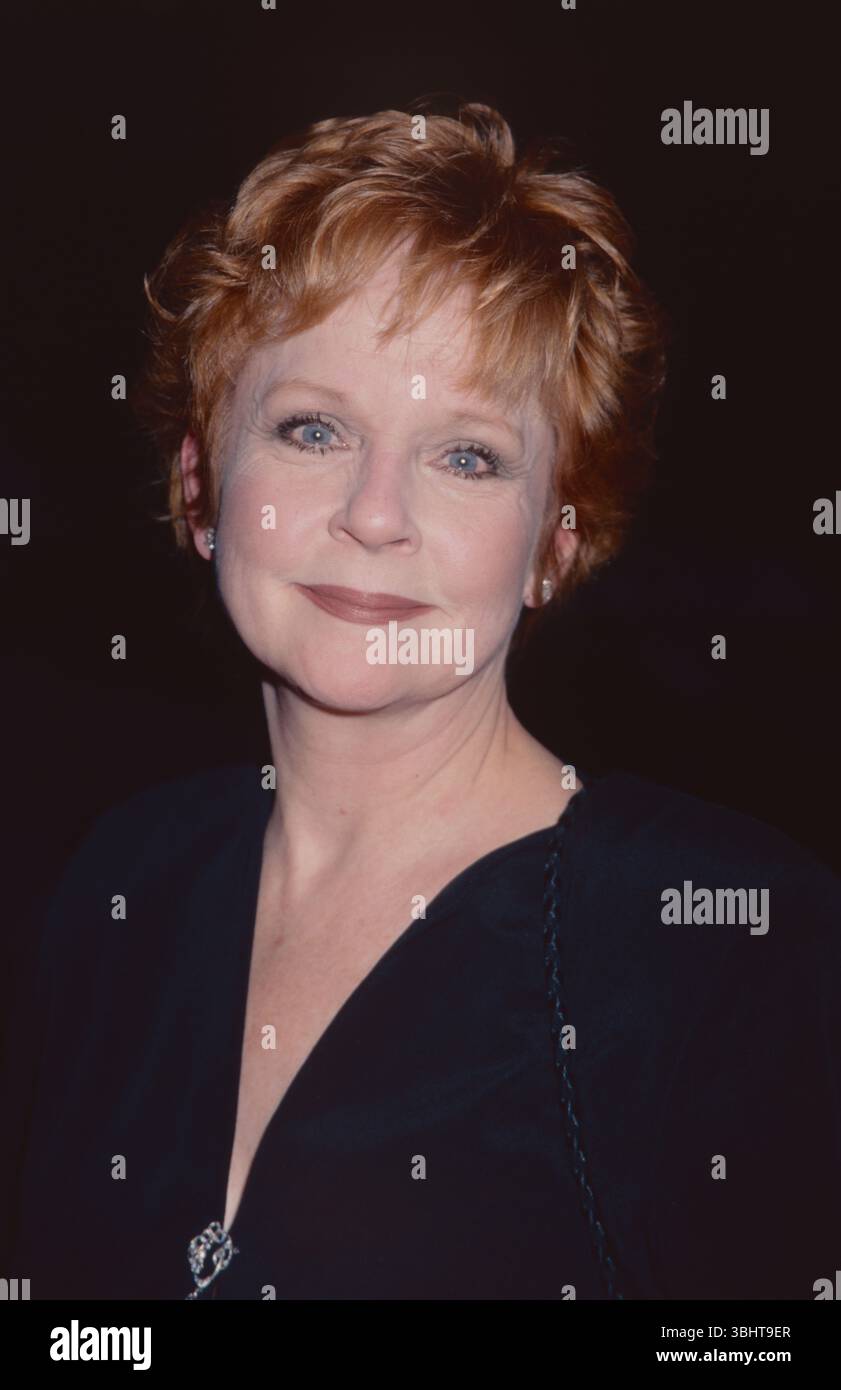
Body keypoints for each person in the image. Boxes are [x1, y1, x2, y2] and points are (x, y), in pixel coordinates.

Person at [2, 103, 839, 1302]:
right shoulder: (114, 886)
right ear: (200, 487)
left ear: (559, 541)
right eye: (311, 428)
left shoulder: (728, 948)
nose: (375, 512)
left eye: (466, 455)